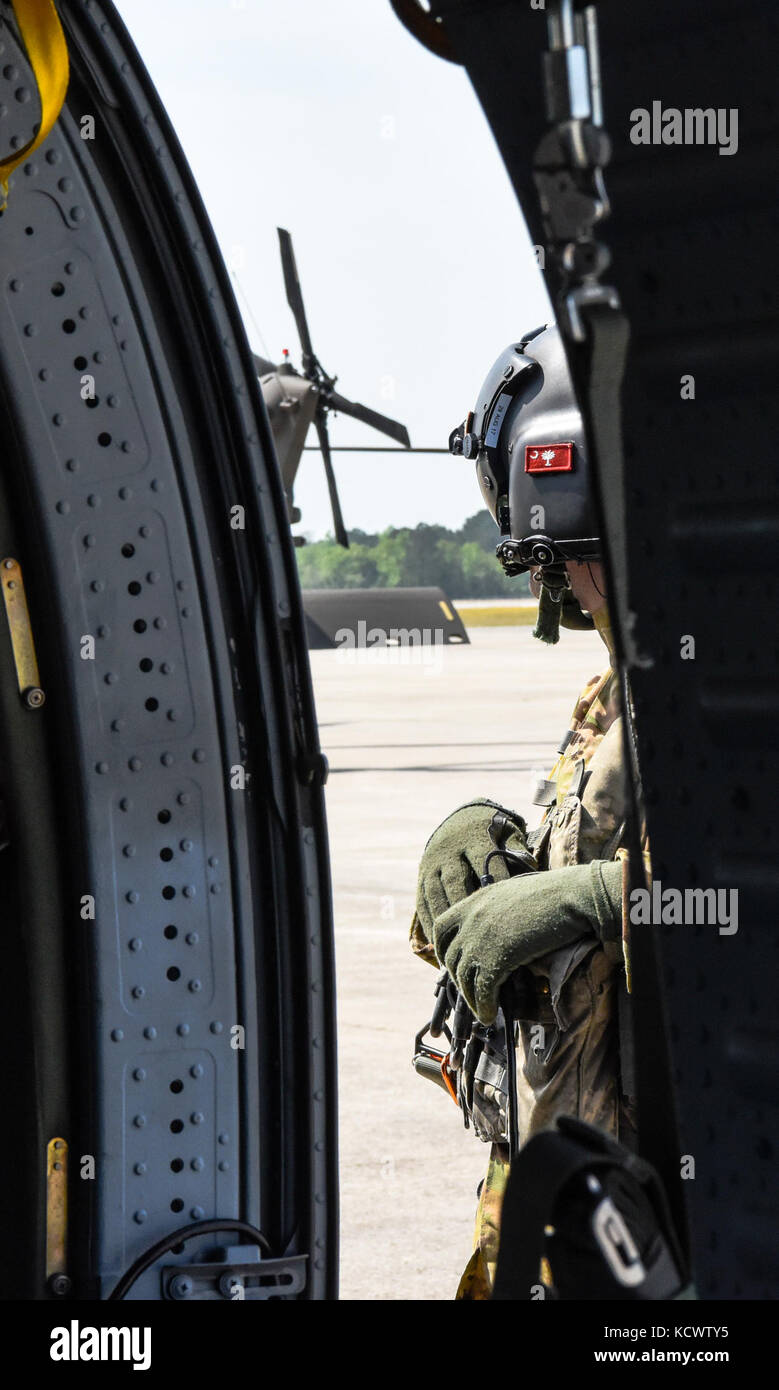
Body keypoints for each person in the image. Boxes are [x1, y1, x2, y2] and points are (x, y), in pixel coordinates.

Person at [410, 323, 645, 1300]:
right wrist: (477, 843)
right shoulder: (618, 697)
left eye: (566, 569)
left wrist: (604, 896)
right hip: (568, 1228)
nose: (575, 599)